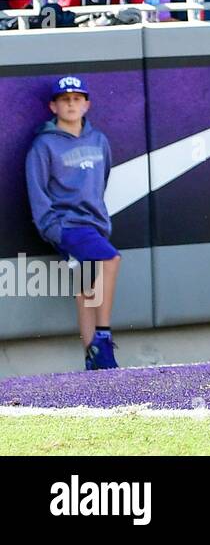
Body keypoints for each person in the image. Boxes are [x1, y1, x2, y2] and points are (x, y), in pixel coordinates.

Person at [26, 75, 121, 370]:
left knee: (86, 287)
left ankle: (91, 356)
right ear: (53, 106)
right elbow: (37, 189)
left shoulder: (98, 140)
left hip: (94, 224)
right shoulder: (44, 145)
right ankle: (102, 338)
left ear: (87, 104)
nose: (71, 104)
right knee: (111, 258)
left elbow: (102, 179)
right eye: (65, 100)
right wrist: (52, 228)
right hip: (66, 225)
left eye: (77, 99)